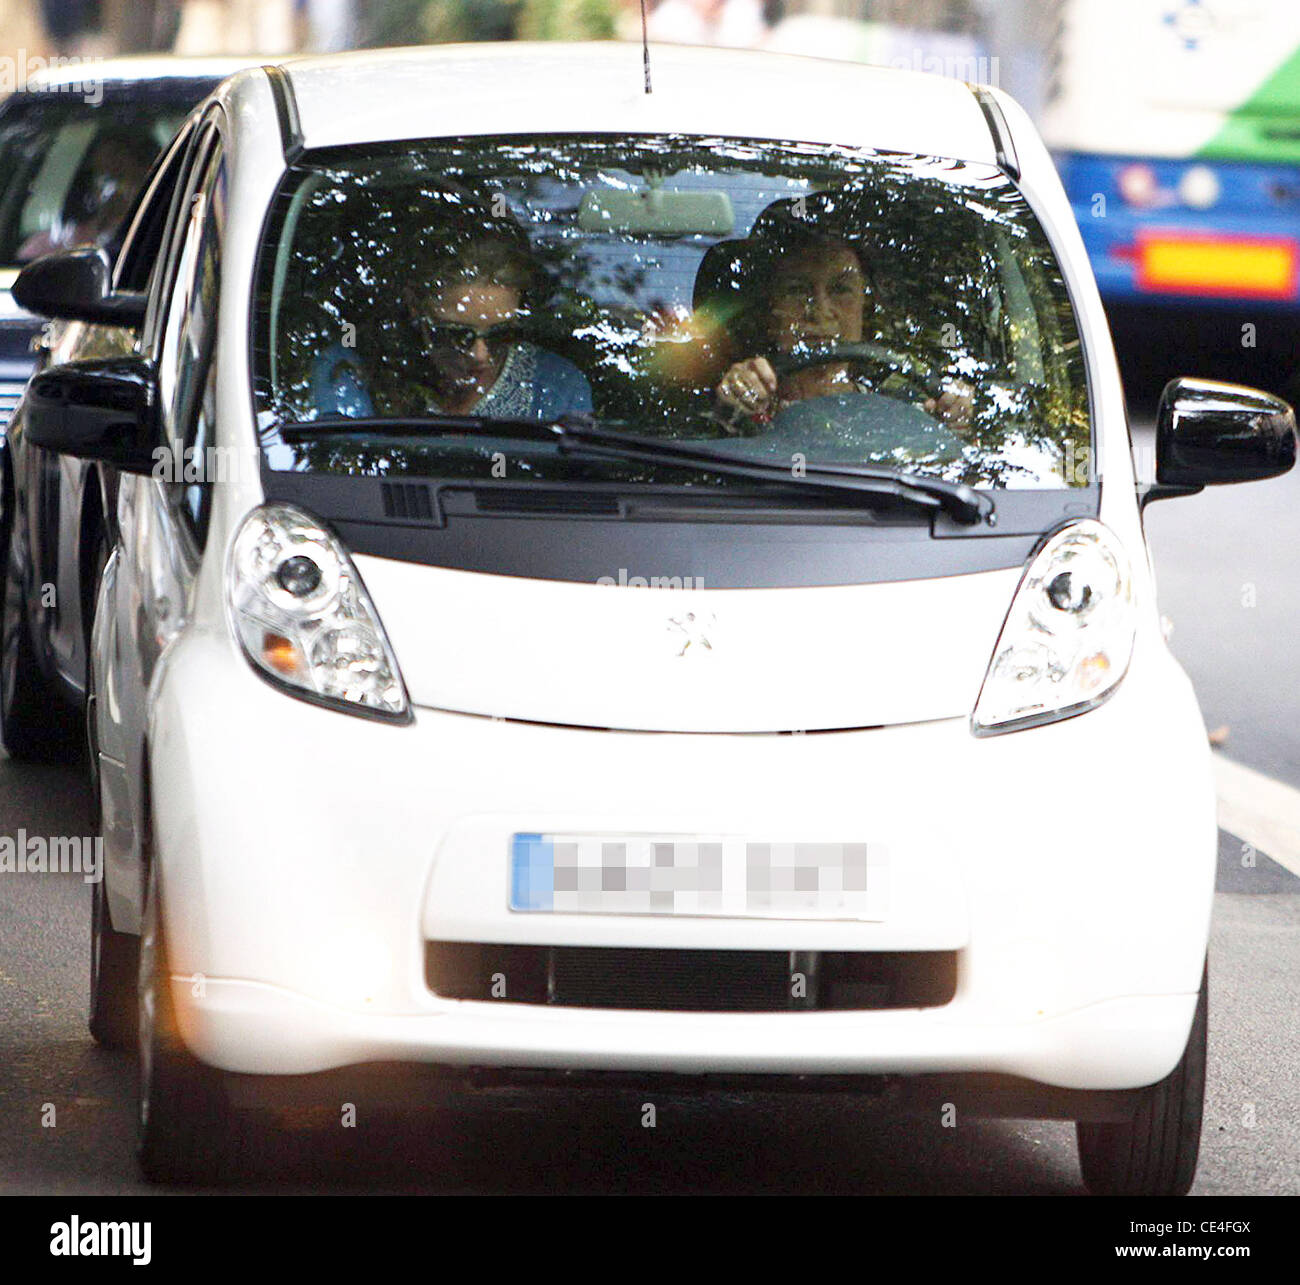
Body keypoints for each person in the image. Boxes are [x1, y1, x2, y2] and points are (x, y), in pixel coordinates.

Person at [695, 194, 974, 433]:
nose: (820, 311)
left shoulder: (905, 413)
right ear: (769, 309)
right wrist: (732, 409)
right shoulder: (736, 407)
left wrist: (951, 422)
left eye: (841, 289)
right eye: (797, 290)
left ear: (866, 305)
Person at [313, 208, 591, 422]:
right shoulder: (351, 372)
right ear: (415, 305)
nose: (480, 355)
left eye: (502, 334)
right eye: (457, 334)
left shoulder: (557, 385)